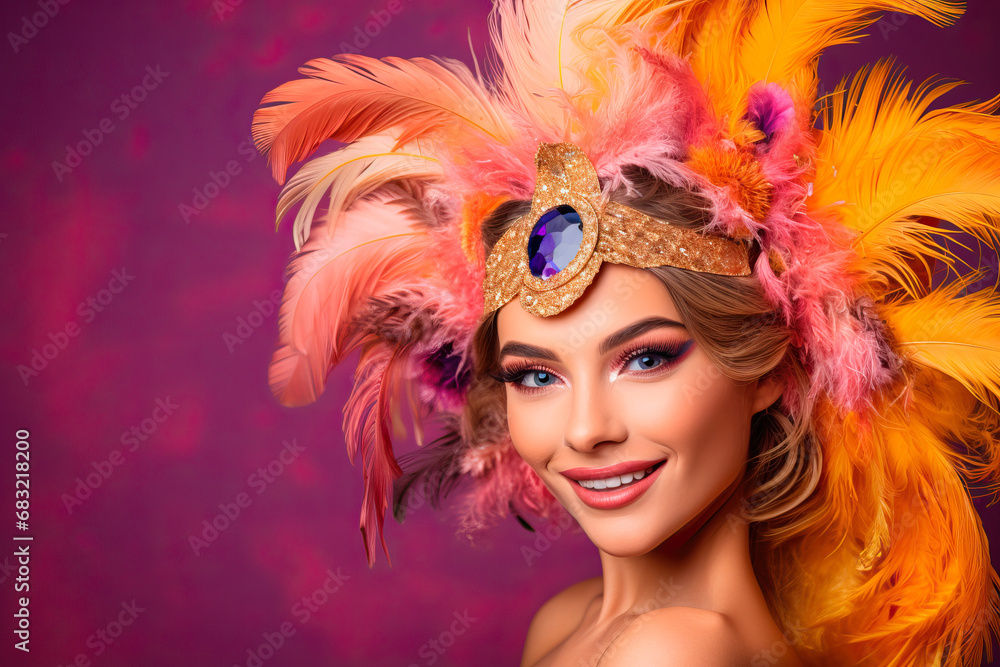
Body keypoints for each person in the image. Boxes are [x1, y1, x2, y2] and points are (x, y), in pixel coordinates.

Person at [251, 0, 1000, 664]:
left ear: (771, 364)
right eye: (536, 375)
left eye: (644, 358)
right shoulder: (568, 625)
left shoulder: (674, 650)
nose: (585, 430)